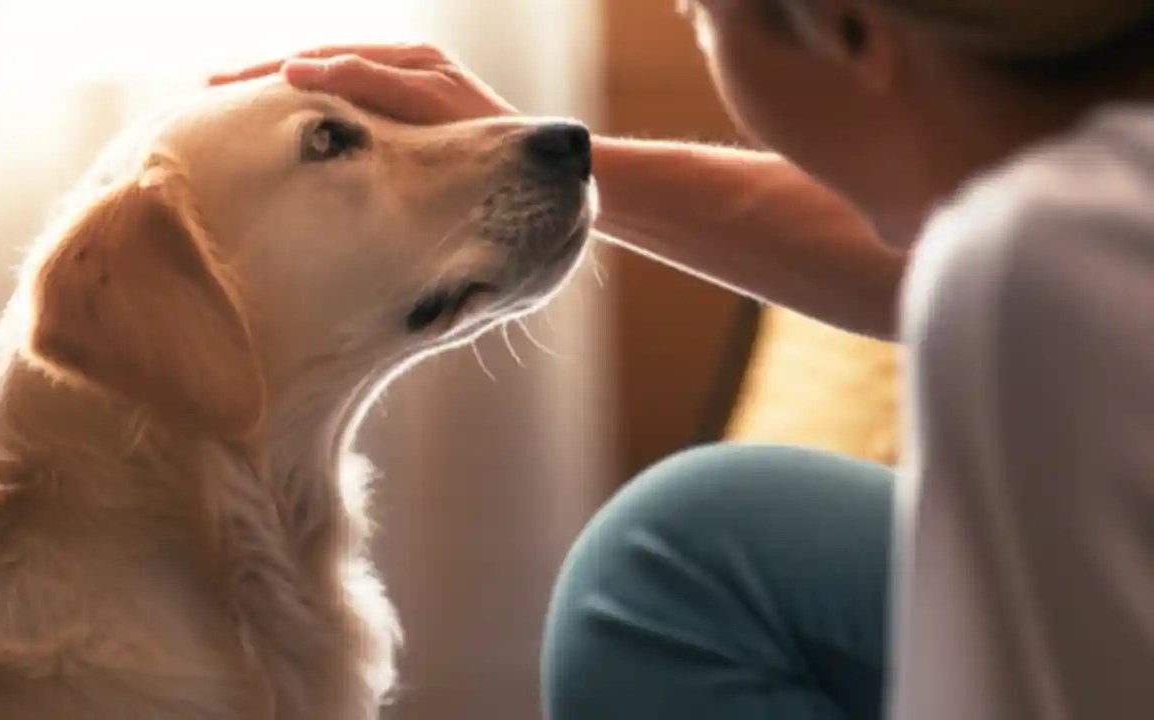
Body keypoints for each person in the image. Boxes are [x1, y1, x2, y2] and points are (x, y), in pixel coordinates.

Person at [213, 1, 1154, 717]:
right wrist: (547, 167)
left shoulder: (1038, 267)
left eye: (698, 15)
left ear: (848, 30)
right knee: (691, 544)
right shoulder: (1080, 219)